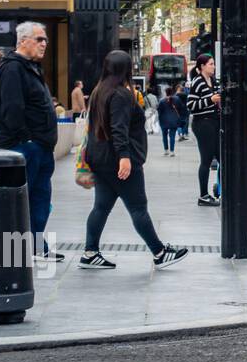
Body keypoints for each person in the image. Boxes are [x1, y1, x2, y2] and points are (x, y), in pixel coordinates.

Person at [78, 51, 188, 271]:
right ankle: (159, 252)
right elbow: (119, 129)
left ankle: (90, 253)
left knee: (101, 207)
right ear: (125, 70)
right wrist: (125, 158)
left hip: (101, 159)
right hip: (118, 161)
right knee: (138, 208)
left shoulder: (100, 90)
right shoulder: (119, 95)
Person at [0, 22, 62, 263]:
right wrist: (28, 139)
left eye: (45, 39)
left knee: (40, 198)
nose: (44, 43)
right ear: (23, 41)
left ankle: (36, 245)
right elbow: (12, 108)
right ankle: (15, 249)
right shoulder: (13, 68)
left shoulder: (30, 67)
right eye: (39, 39)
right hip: (26, 147)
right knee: (22, 199)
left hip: (40, 147)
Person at [186, 54, 222, 207]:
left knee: (223, 159)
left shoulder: (212, 81)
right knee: (206, 161)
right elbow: (191, 105)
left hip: (214, 123)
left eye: (213, 64)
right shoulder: (198, 82)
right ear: (201, 66)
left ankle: (223, 192)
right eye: (211, 64)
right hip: (203, 124)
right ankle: (203, 196)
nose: (213, 66)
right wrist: (210, 100)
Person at [157, 88, 181, 156]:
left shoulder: (162, 101)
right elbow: (180, 108)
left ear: (166, 92)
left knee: (164, 136)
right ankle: (172, 151)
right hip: (174, 120)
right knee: (172, 136)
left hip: (164, 121)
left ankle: (166, 150)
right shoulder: (177, 99)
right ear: (172, 92)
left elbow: (159, 111)